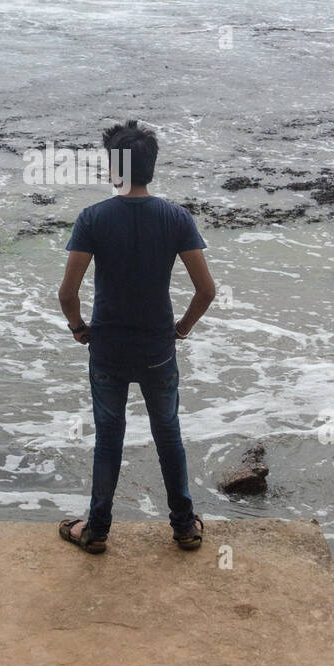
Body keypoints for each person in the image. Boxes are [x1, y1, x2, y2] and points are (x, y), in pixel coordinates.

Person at [57, 120, 215, 554]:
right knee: (168, 433)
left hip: (107, 348)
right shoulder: (176, 217)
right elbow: (206, 291)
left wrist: (78, 329)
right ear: (151, 166)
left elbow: (67, 293)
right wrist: (181, 329)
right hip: (157, 350)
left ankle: (96, 530)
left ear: (115, 168)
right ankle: (184, 527)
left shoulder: (93, 218)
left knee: (109, 437)